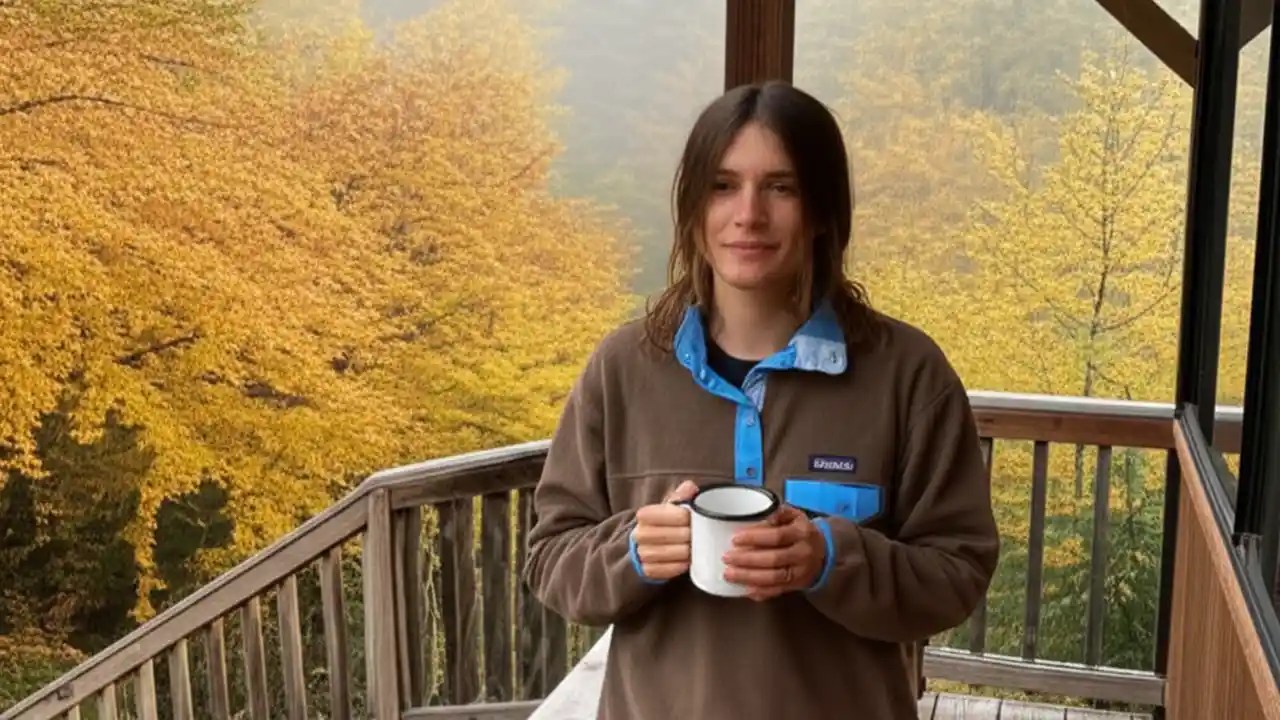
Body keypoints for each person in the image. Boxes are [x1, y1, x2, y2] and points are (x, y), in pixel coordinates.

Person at [523, 80, 999, 720]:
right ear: (693, 209)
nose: (749, 214)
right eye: (723, 186)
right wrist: (631, 550)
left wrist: (831, 557)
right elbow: (551, 557)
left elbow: (959, 571)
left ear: (823, 210)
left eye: (781, 187)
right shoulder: (624, 370)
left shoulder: (908, 376)